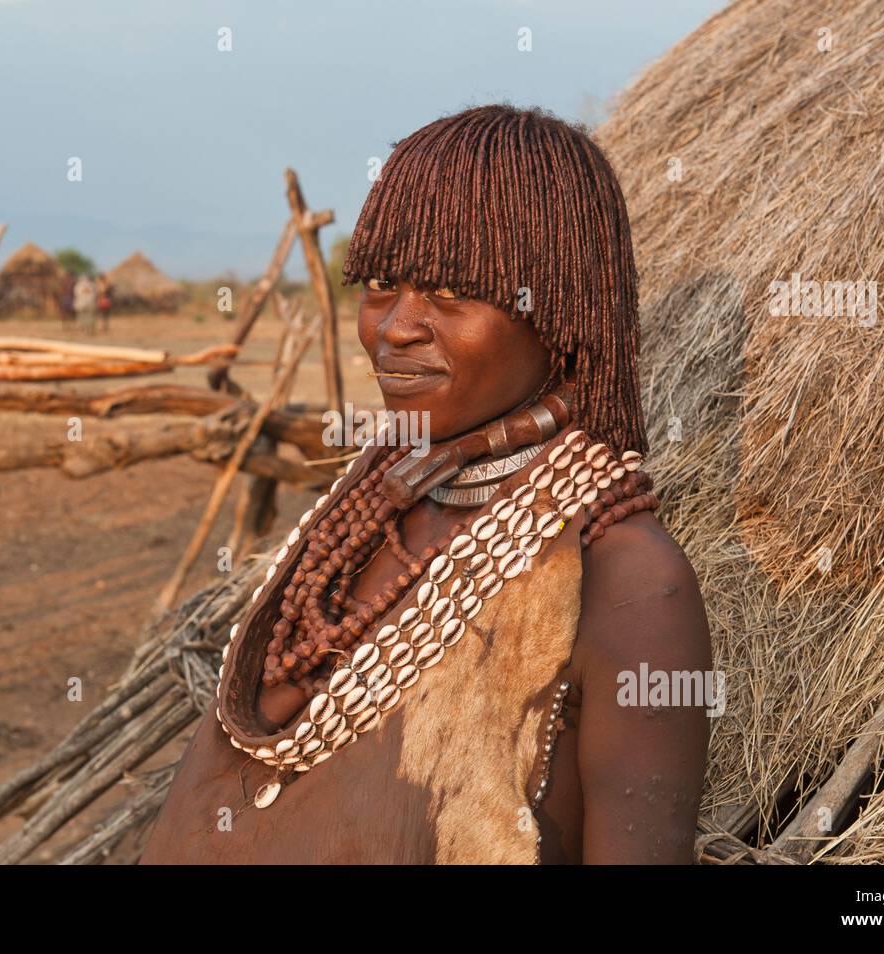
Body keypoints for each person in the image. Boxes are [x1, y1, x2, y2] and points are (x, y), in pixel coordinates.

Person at [140, 104, 712, 865]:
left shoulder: (629, 581)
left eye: (450, 294)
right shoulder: (357, 522)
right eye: (381, 285)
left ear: (564, 315)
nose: (395, 328)